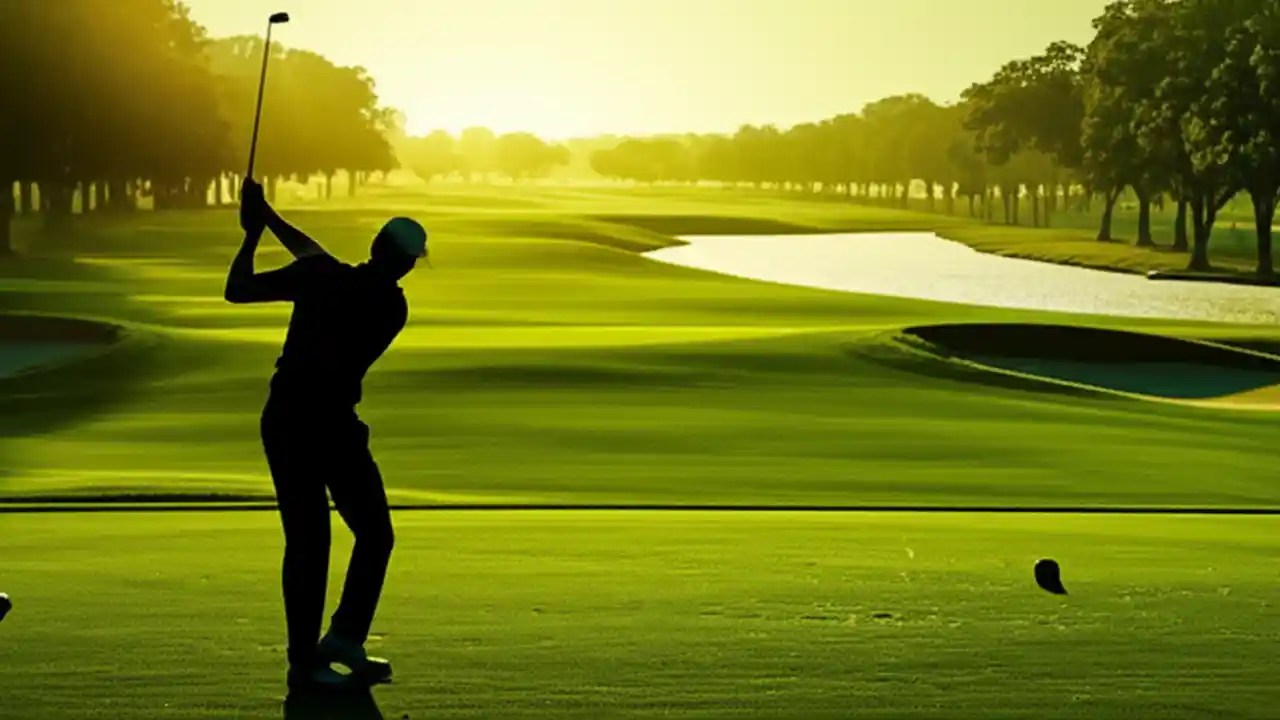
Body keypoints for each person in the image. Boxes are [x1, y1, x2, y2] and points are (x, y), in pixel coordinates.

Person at [225, 177, 427, 691]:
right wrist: (266, 216)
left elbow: (239, 288)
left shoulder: (323, 278)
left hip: (294, 419)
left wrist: (253, 232)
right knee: (365, 536)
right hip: (328, 424)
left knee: (316, 540)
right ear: (406, 263)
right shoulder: (391, 305)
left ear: (375, 247)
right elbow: (317, 258)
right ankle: (314, 658)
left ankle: (333, 646)